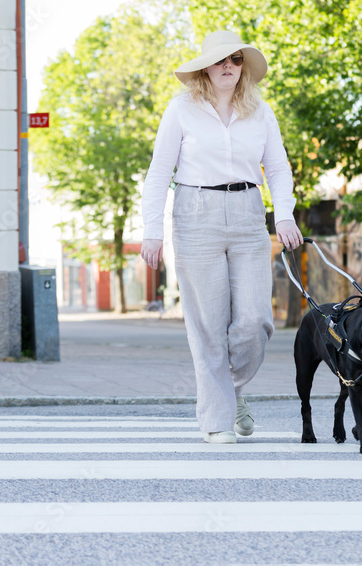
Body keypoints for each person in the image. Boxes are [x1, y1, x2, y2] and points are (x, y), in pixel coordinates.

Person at [140, 30, 303, 444]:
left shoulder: (260, 111)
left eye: (235, 59)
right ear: (205, 68)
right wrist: (152, 231)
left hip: (248, 213)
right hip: (196, 214)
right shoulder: (180, 110)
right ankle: (217, 420)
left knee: (254, 320)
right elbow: (160, 172)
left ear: (242, 66)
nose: (228, 66)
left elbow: (279, 169)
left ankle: (229, 392)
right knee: (209, 324)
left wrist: (283, 214)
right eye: (219, 60)